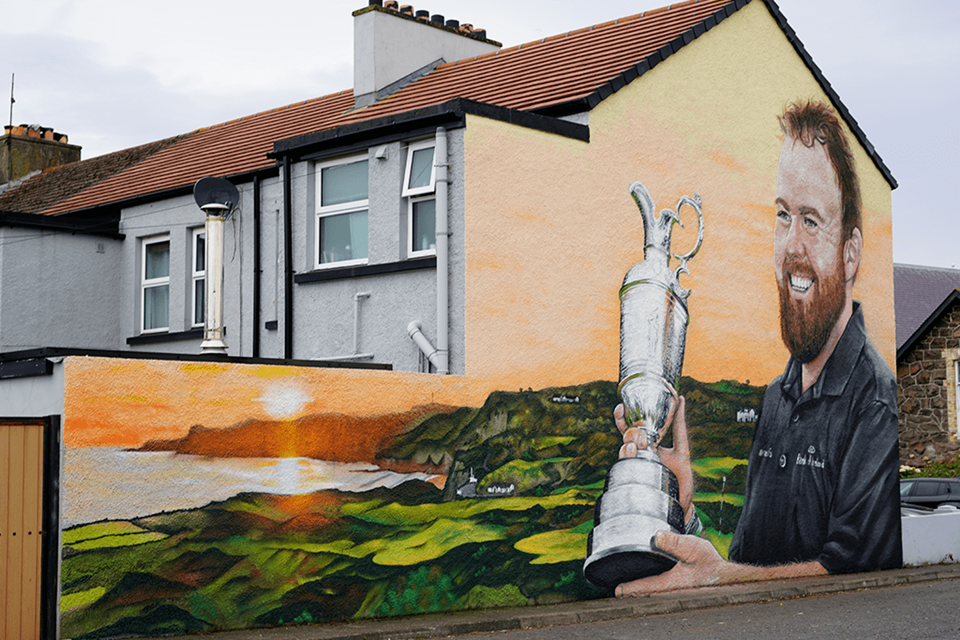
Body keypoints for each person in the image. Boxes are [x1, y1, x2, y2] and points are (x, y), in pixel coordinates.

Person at [615, 101, 902, 596]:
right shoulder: (776, 400)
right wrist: (684, 509)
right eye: (783, 215)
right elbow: (747, 568)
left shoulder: (874, 402)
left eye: (811, 221)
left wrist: (721, 576)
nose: (792, 244)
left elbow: (854, 574)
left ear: (850, 253)